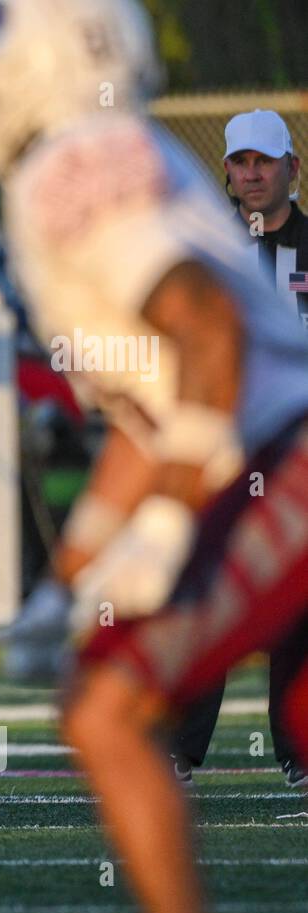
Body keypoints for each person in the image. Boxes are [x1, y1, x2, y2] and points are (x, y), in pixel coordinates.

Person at [0, 0, 308, 913]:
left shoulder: (72, 168)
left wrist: (170, 529)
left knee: (106, 709)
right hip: (265, 447)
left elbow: (208, 334)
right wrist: (67, 577)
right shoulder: (104, 154)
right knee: (107, 705)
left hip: (280, 458)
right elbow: (147, 415)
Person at [170, 110, 308, 788]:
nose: (253, 173)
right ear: (226, 170)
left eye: (265, 161)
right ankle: (181, 747)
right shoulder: (212, 249)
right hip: (229, 448)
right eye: (242, 161)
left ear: (292, 168)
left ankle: (297, 748)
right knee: (210, 593)